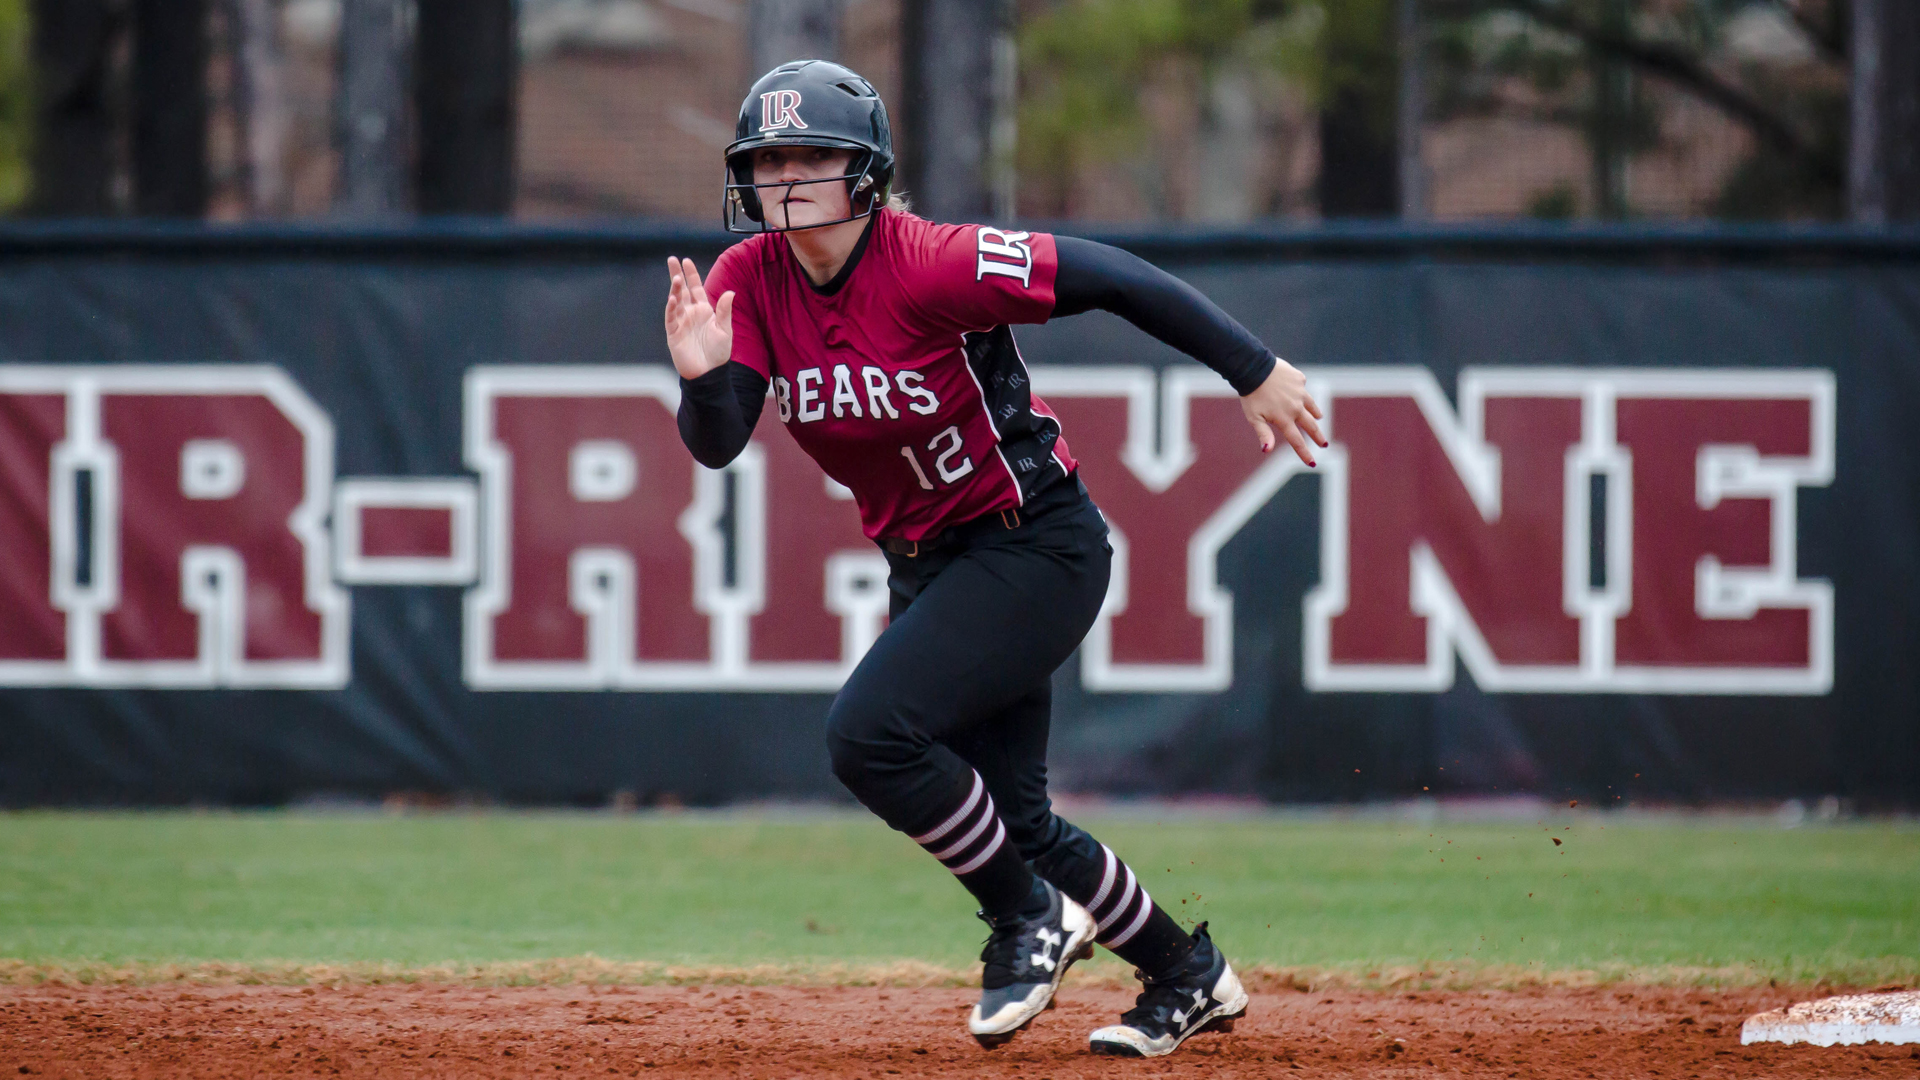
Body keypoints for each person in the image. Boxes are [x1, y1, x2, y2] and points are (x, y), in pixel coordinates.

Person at [664, 60, 1325, 1058]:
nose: (786, 179)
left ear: (866, 170)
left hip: (1033, 542)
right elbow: (719, 442)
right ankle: (1187, 973)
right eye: (768, 159)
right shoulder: (745, 281)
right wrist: (705, 380)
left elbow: (1111, 276)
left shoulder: (930, 261)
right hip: (929, 561)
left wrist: (1253, 368)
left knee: (869, 736)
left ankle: (1029, 920)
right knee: (1019, 819)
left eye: (813, 156)